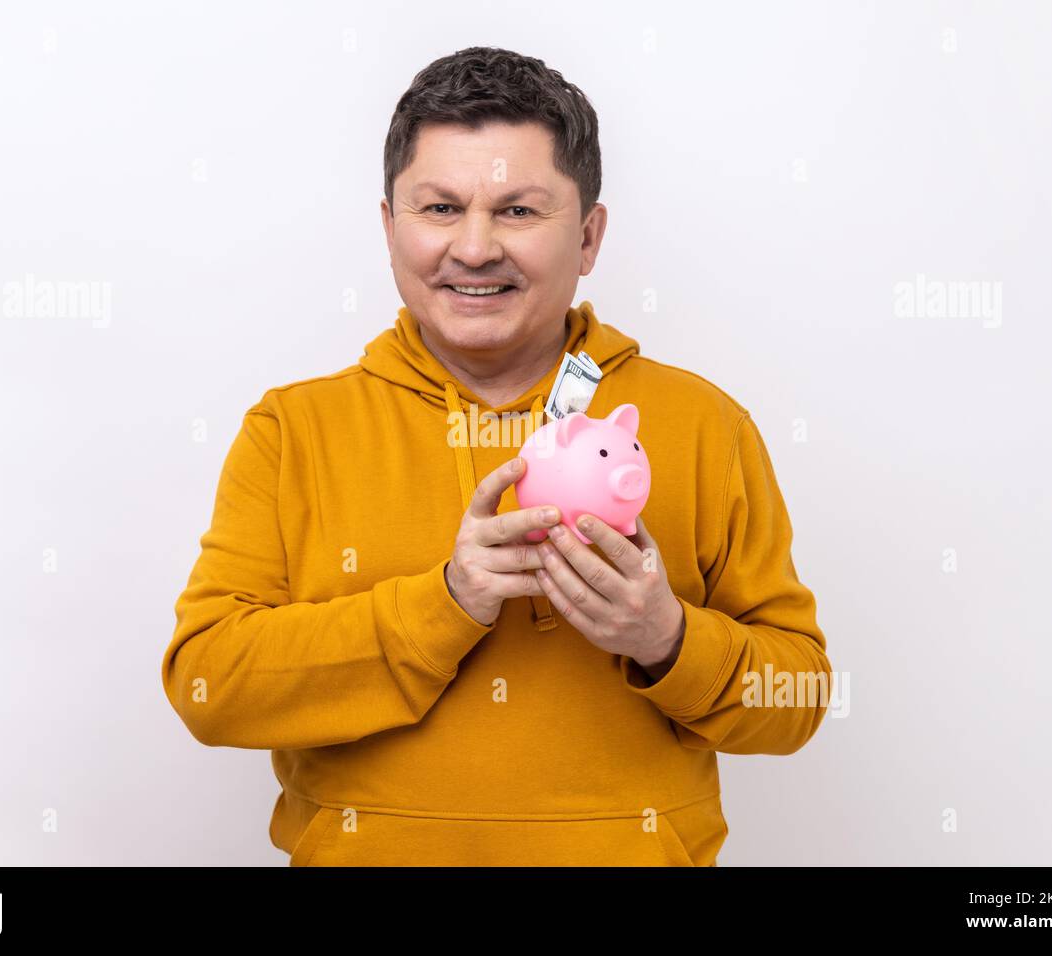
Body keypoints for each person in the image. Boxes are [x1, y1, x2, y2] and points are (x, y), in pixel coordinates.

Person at [161, 46, 830, 866]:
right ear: (389, 227)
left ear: (588, 237)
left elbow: (797, 696)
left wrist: (666, 638)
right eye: (440, 209)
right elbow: (208, 686)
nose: (474, 249)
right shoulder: (292, 430)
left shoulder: (705, 424)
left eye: (518, 211)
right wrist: (444, 605)